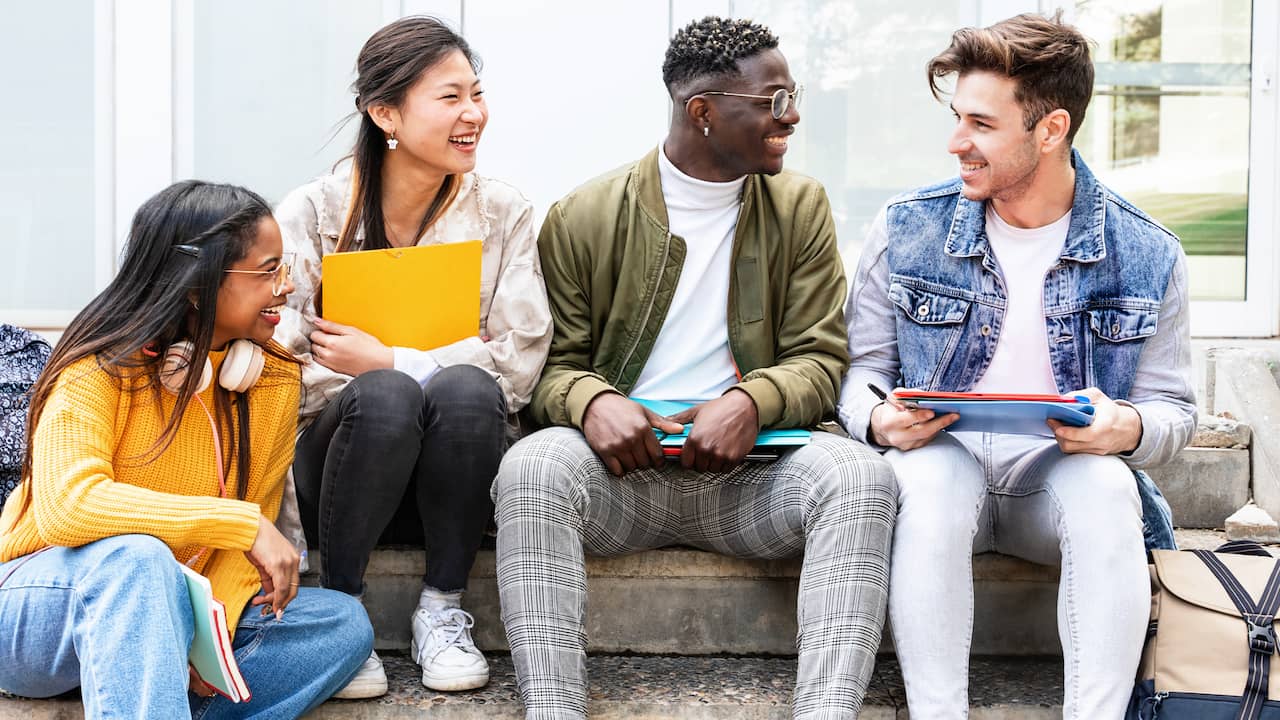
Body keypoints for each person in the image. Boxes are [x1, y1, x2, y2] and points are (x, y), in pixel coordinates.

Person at [492, 16, 897, 720]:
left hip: (754, 482)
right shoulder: (584, 216)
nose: (792, 115)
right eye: (773, 101)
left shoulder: (799, 207)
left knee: (860, 477)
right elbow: (547, 368)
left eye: (791, 95)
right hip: (623, 480)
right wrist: (591, 401)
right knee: (531, 469)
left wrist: (754, 400)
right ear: (702, 113)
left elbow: (821, 355)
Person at [838, 12, 1195, 718]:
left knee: (1103, 484)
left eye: (980, 124)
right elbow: (861, 369)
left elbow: (1173, 411)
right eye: (956, 118)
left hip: (1054, 484)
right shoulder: (908, 227)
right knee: (937, 478)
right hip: (940, 471)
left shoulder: (1148, 252)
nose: (956, 142)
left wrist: (1122, 428)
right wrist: (878, 417)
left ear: (1051, 129)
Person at [0, 181, 372, 718]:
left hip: (169, 609)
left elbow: (247, 539)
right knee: (138, 558)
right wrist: (238, 524)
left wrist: (205, 635)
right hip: (40, 603)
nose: (285, 288)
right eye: (267, 271)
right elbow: (69, 508)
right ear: (198, 284)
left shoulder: (268, 379)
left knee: (339, 624)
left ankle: (145, 686)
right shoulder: (95, 369)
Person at [273, 16, 553, 699]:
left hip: (457, 473)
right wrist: (388, 376)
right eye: (450, 97)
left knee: (458, 388)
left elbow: (519, 355)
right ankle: (340, 615)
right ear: (385, 113)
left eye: (476, 94)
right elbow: (278, 349)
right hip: (338, 473)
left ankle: (442, 608)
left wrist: (390, 357)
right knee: (389, 398)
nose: (473, 115)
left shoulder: (503, 211)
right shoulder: (314, 212)